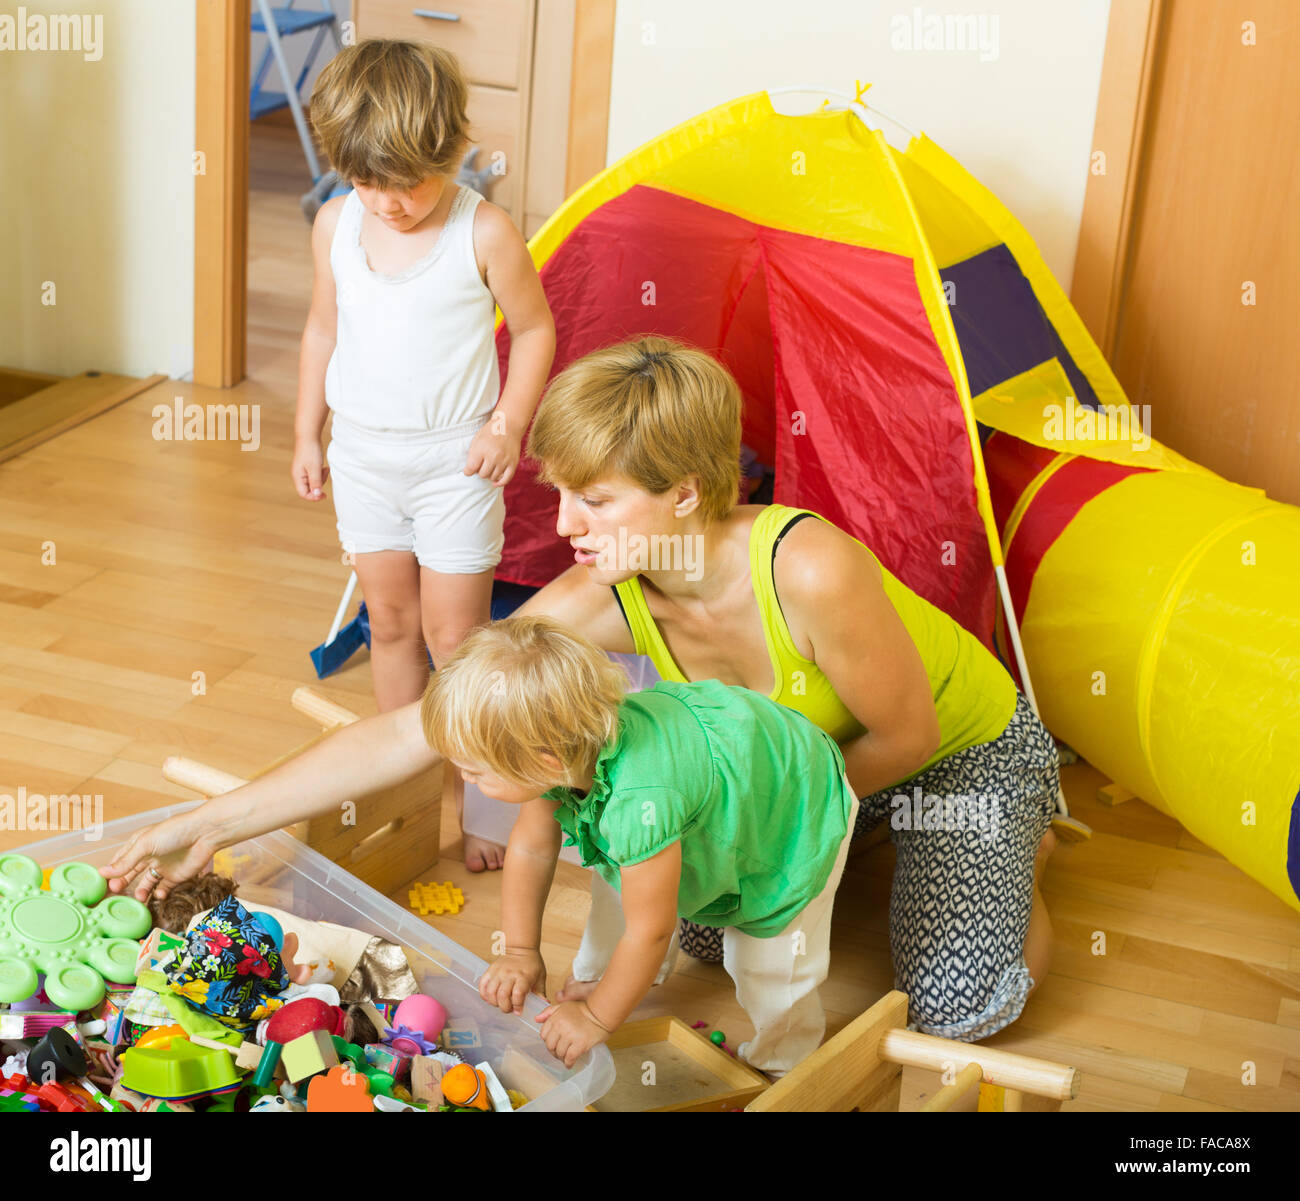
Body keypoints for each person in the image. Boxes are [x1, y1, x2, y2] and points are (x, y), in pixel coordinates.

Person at [105, 336, 1057, 1043]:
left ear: (685, 492)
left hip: (949, 748)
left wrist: (784, 827)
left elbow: (905, 730)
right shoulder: (612, 588)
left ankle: (1027, 837)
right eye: (561, 491)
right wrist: (223, 820)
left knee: (956, 1007)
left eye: (594, 499)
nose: (564, 523)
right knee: (691, 927)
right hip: (790, 763)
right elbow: (425, 725)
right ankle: (862, 848)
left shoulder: (810, 571)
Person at [290, 38, 555, 871]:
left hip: (455, 465)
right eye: (369, 182)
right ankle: (402, 791)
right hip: (366, 459)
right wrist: (309, 430)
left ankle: (486, 802)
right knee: (392, 624)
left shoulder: (485, 230)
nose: (391, 203)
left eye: (410, 182)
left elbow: (539, 329)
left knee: (458, 638)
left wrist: (506, 424)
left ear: (451, 150)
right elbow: (323, 330)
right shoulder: (338, 225)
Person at [423, 615, 857, 1074]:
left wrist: (596, 1018)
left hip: (790, 814)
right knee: (624, 880)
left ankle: (784, 1064)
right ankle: (607, 979)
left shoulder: (638, 802)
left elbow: (652, 929)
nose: (464, 778)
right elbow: (531, 849)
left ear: (544, 763)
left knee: (766, 969)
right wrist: (519, 951)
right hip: (726, 773)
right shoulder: (565, 747)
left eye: (474, 771)